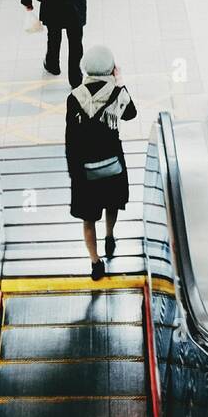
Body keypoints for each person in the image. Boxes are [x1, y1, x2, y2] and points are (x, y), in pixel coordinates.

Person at [65, 45, 137, 280]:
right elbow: (131, 113)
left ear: (84, 68)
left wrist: (74, 173)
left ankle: (95, 263)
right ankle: (109, 236)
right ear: (111, 68)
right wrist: (120, 81)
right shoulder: (116, 94)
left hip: (85, 172)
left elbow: (71, 140)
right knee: (112, 205)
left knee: (88, 218)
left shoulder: (74, 98)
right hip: (112, 167)